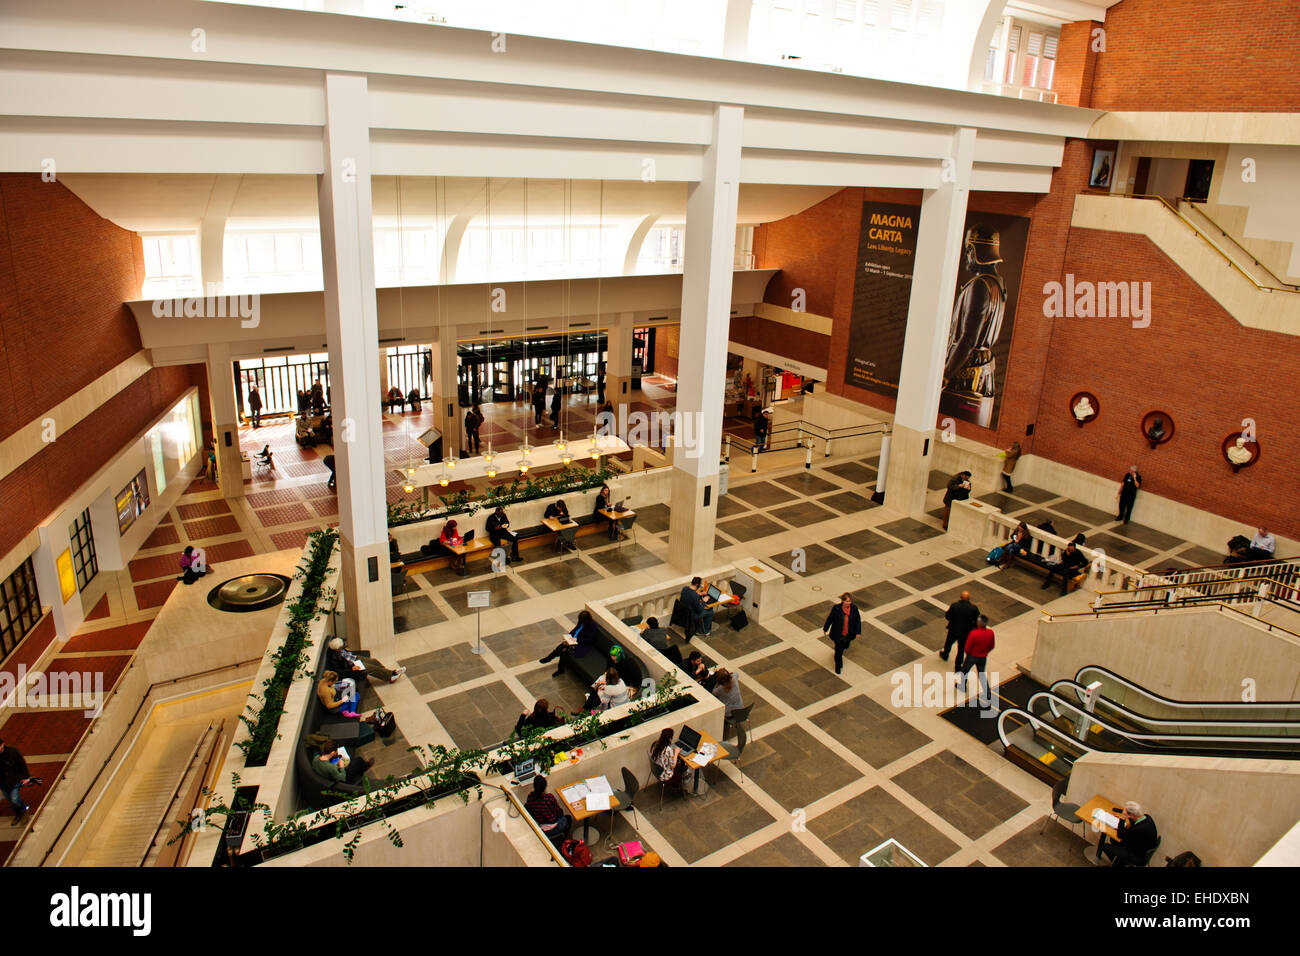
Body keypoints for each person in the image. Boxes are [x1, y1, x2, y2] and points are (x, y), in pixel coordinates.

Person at [1095, 801, 1159, 867]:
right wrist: (1127, 816)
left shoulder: (1138, 829)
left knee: (1105, 846)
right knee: (1113, 840)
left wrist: (1122, 819)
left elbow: (1120, 835)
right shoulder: (1147, 817)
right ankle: (1120, 860)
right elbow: (1134, 823)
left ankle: (1120, 862)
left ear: (1132, 815)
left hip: (1136, 855)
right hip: (1141, 847)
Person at [538, 610, 598, 677]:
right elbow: (575, 630)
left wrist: (576, 640)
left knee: (563, 651)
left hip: (581, 644)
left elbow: (589, 640)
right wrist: (568, 638)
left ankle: (553, 662)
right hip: (572, 640)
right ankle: (553, 661)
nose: (581, 623)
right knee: (563, 646)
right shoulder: (581, 622)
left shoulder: (592, 626)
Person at [326, 636, 406, 684]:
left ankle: (390, 673)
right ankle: (390, 676)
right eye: (341, 648)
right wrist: (352, 668)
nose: (342, 648)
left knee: (374, 662)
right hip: (352, 665)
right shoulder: (333, 657)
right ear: (336, 649)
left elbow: (346, 655)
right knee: (373, 668)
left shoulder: (338, 649)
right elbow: (339, 671)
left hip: (354, 658)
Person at [957, 615, 995, 704]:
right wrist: (985, 652)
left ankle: (962, 686)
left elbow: (967, 647)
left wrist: (969, 654)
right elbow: (992, 646)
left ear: (979, 623)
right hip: (983, 657)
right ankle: (988, 694)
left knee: (965, 671)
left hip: (972, 656)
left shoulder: (974, 633)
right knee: (982, 675)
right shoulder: (990, 633)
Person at [523, 775, 571, 844]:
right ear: (545, 787)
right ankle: (564, 839)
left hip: (541, 828)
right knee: (568, 818)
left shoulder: (530, 797)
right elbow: (559, 812)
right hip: (554, 826)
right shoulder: (549, 797)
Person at [822, 592, 861, 675]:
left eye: (849, 601)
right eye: (846, 601)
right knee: (838, 651)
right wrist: (826, 628)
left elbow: (858, 620)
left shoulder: (854, 608)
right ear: (842, 601)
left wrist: (858, 632)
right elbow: (830, 619)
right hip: (838, 634)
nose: (848, 603)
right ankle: (838, 665)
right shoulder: (836, 608)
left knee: (845, 646)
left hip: (849, 633)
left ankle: (843, 648)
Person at [941, 590, 980, 672]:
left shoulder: (955, 606)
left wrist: (953, 621)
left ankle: (945, 655)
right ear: (969, 598)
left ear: (961, 597)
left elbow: (948, 616)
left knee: (948, 643)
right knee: (961, 649)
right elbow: (977, 620)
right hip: (965, 632)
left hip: (953, 629)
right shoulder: (974, 608)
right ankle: (958, 666)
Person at [0, 738, 35, 823]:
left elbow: (22, 764)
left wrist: (26, 777)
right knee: (11, 800)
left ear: (2, 744)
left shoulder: (13, 752)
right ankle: (18, 813)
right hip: (2, 782)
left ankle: (25, 809)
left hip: (14, 780)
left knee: (15, 799)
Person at [648, 728, 687, 793]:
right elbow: (673, 765)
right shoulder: (668, 750)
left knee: (679, 764)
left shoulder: (655, 744)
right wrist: (676, 753)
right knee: (681, 765)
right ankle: (677, 786)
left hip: (656, 770)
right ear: (670, 739)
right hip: (664, 775)